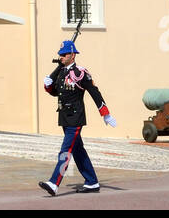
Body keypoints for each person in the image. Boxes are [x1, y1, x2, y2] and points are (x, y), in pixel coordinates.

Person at [39, 40, 116, 195]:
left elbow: (94, 92)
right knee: (78, 150)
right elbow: (57, 92)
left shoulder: (80, 73)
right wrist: (48, 85)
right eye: (60, 54)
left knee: (65, 150)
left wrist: (105, 113)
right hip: (64, 117)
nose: (61, 57)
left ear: (72, 55)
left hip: (75, 117)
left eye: (64, 54)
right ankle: (92, 181)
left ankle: (54, 183)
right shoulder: (61, 72)